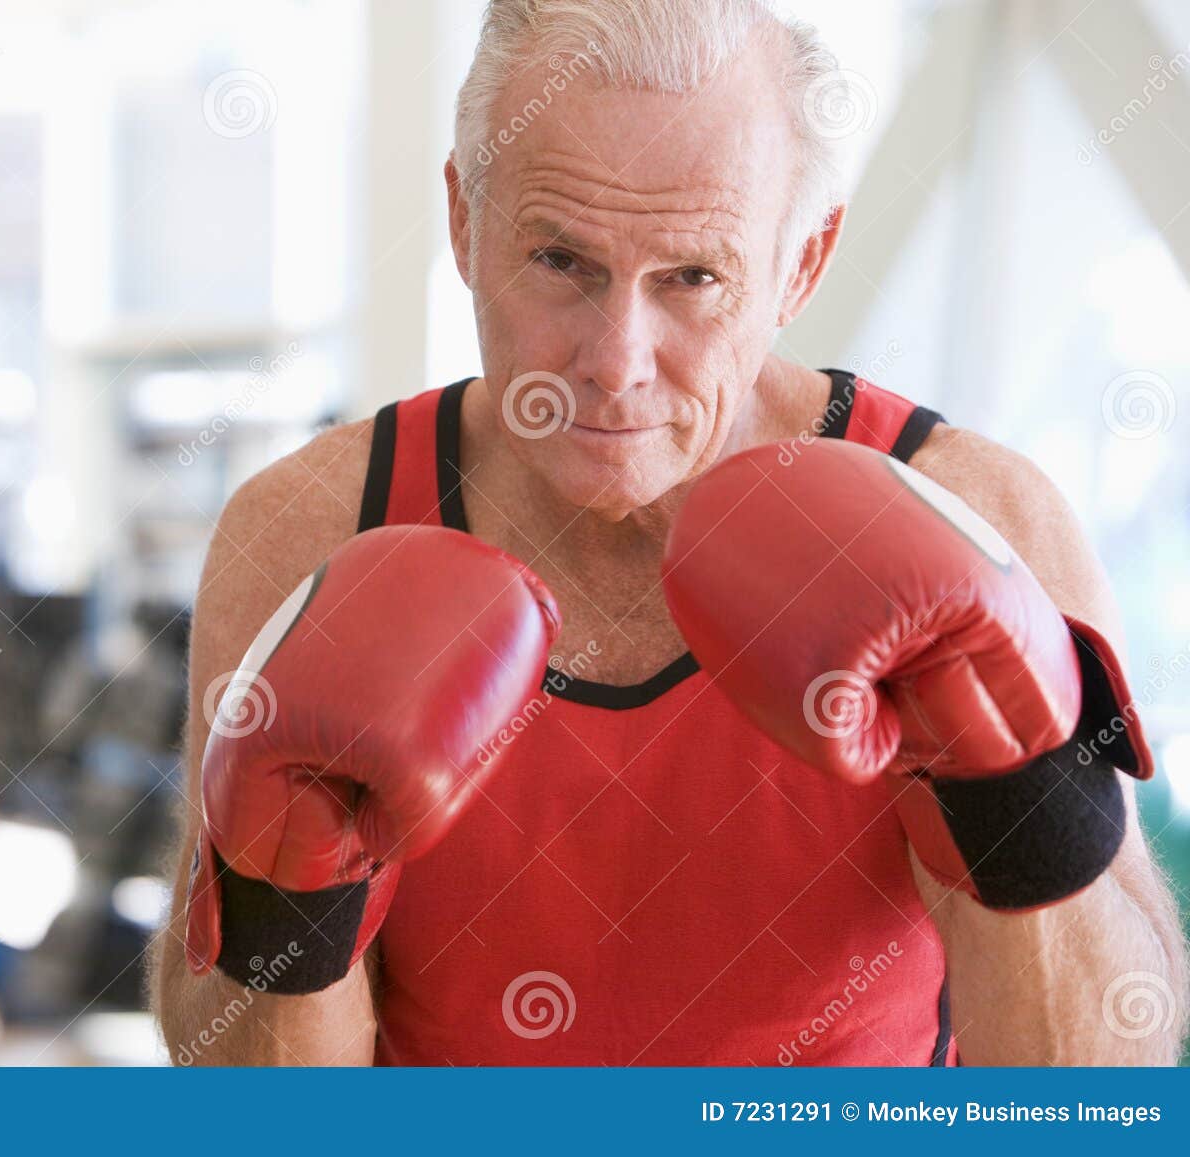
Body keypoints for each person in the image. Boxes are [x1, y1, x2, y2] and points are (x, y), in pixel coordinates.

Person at [151, 0, 1188, 1065]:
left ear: (801, 264)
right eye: (560, 259)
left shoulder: (981, 514)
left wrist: (1017, 800)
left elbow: (1101, 1083)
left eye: (692, 276)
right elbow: (235, 1090)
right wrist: (291, 901)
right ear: (463, 222)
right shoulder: (312, 528)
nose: (616, 358)